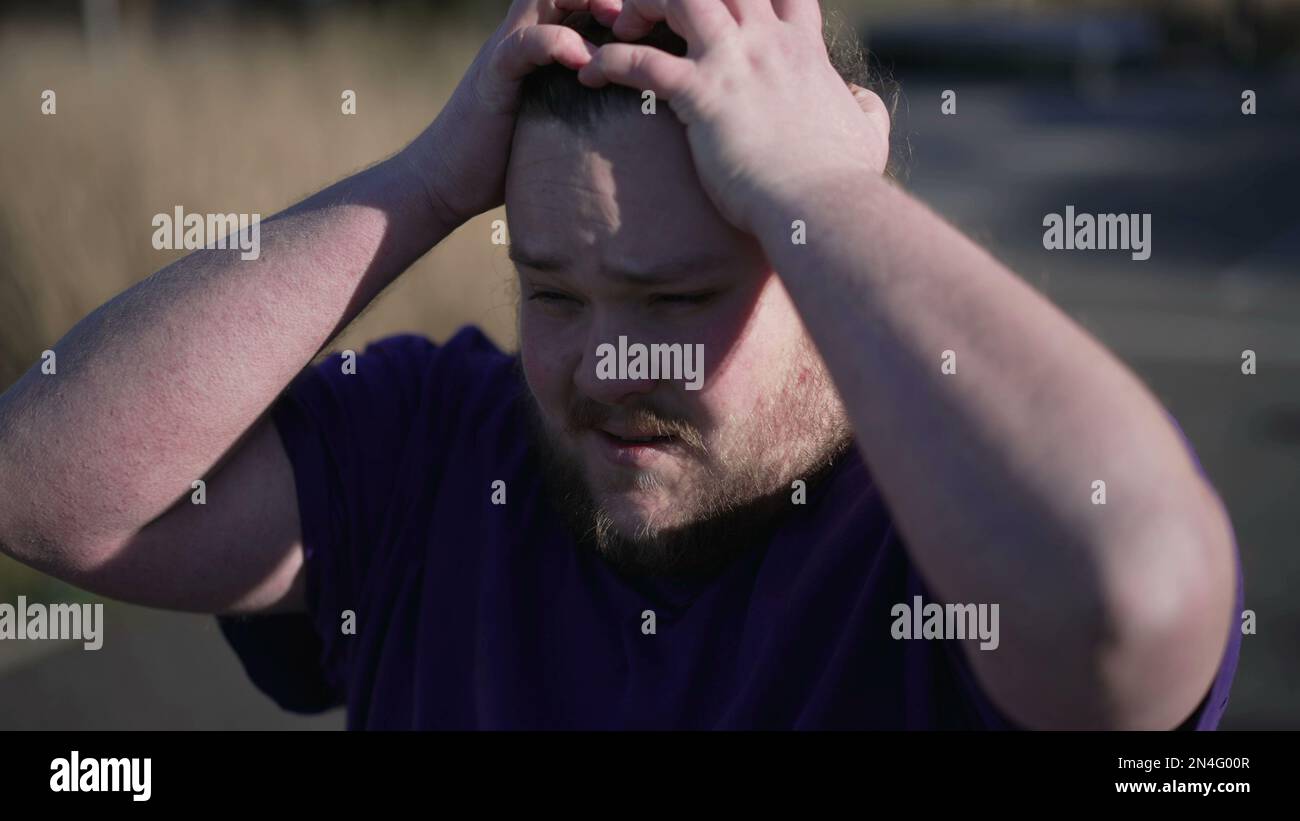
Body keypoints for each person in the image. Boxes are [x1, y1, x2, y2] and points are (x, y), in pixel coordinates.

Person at [0, 0, 1241, 729]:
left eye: (677, 295)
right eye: (552, 289)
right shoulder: (434, 453)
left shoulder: (945, 531)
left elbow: (1128, 594)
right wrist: (428, 181)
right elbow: (45, 489)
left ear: (827, 269)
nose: (603, 364)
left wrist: (813, 184)